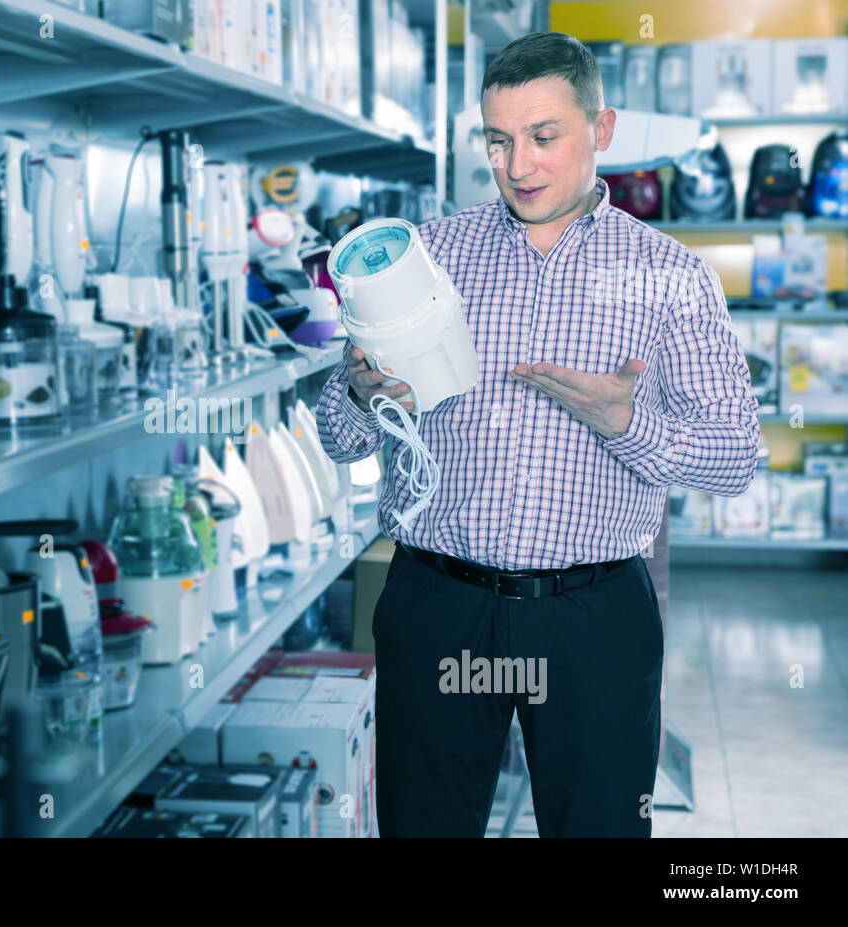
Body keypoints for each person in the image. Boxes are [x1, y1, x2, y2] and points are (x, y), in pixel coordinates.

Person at [315, 31, 759, 837]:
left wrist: (625, 422)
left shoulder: (672, 276)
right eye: (498, 140)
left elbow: (735, 458)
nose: (518, 165)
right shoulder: (426, 254)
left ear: (602, 128)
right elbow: (340, 440)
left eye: (544, 136)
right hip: (438, 603)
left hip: (593, 615)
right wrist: (358, 391)